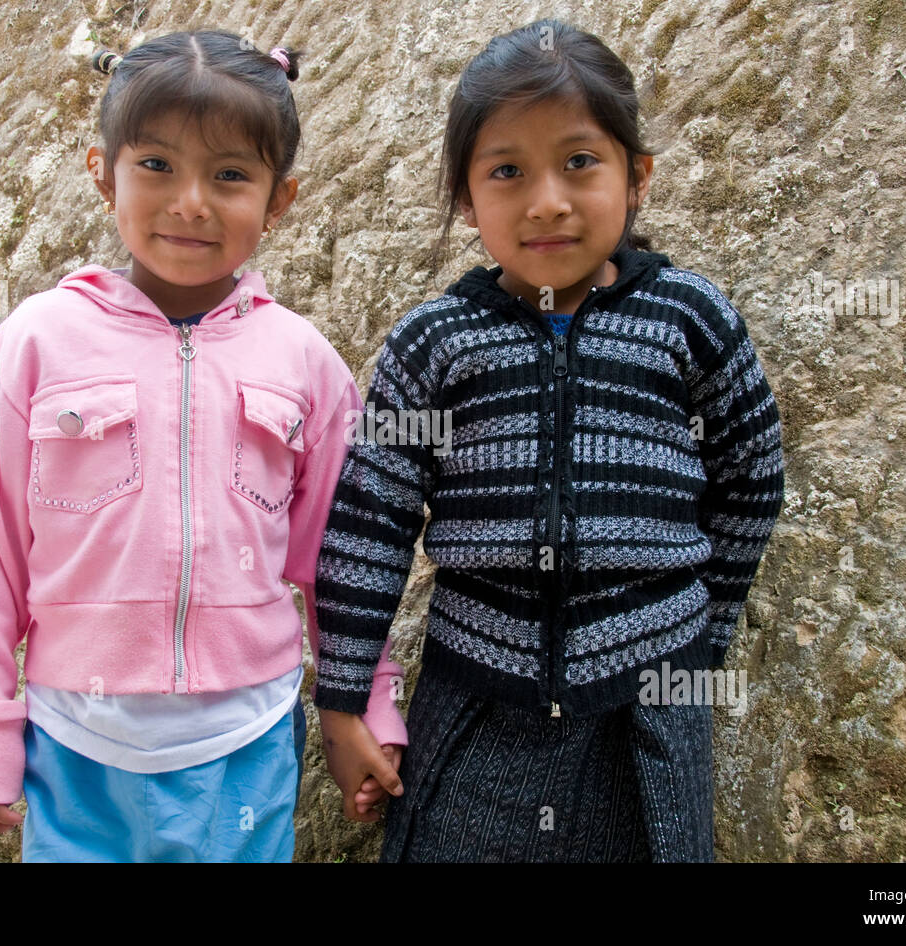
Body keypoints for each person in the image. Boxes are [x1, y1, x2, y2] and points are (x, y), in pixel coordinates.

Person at [0, 30, 405, 863]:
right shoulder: (35, 344)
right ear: (101, 171)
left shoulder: (303, 362)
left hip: (246, 742)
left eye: (230, 175)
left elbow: (346, 555)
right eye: (156, 165)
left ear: (280, 198)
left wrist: (364, 706)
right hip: (74, 745)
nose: (190, 202)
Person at [314, 18, 785, 861]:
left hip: (648, 712)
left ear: (636, 178)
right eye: (507, 171)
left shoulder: (690, 319)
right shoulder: (435, 342)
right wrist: (344, 701)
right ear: (466, 196)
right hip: (477, 704)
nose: (546, 201)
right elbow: (369, 520)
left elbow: (751, 476)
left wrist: (699, 643)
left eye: (579, 161)